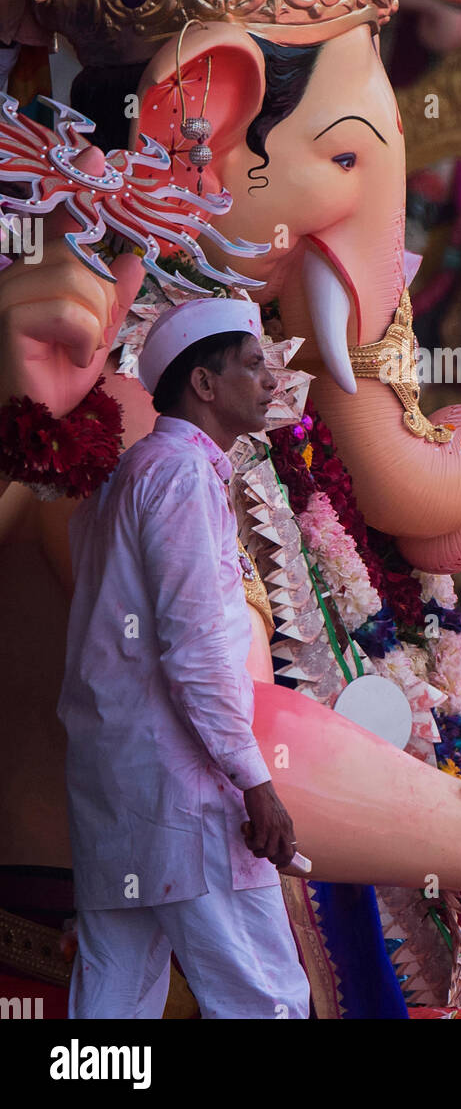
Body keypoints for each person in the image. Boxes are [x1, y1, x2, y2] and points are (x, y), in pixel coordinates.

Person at [59, 297, 311, 1019]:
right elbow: (196, 652)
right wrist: (255, 781)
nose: (271, 381)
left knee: (113, 1000)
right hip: (185, 795)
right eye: (255, 365)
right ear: (204, 383)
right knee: (266, 999)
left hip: (118, 790)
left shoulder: (129, 475)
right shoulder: (181, 476)